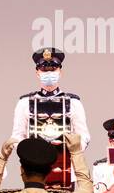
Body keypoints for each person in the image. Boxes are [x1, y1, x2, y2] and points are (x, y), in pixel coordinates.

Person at [9, 47, 91, 184]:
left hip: (65, 167)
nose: (49, 73)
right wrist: (29, 157)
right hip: (34, 170)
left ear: (60, 72)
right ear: (37, 72)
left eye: (53, 70)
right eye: (44, 70)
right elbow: (17, 136)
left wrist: (70, 152)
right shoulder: (24, 103)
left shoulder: (73, 102)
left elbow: (84, 136)